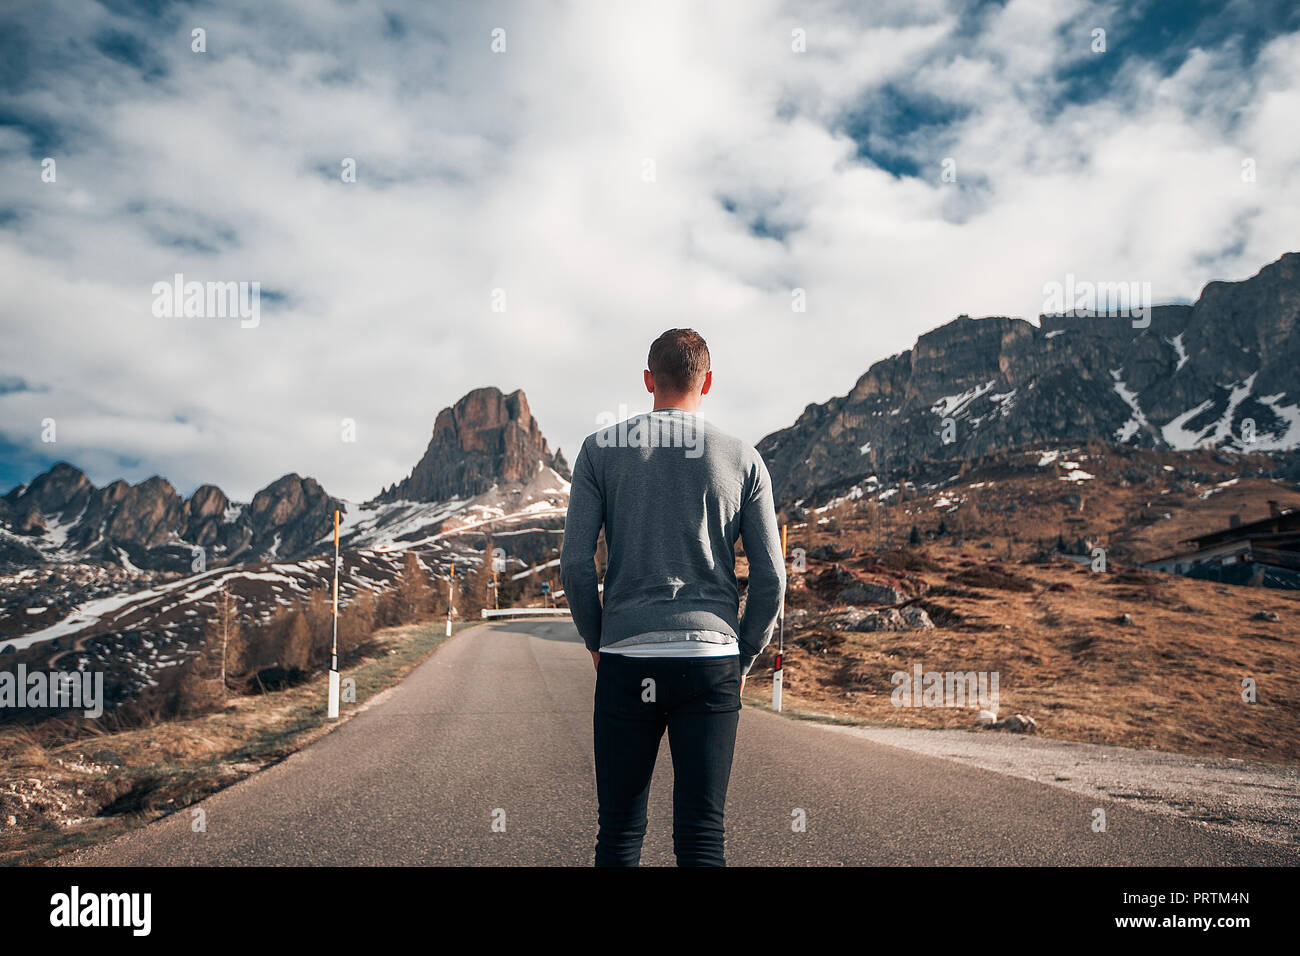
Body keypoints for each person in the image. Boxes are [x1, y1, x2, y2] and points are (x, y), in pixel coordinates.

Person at [560, 328, 786, 867]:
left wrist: (597, 640)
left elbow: (574, 565)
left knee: (617, 833)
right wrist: (744, 652)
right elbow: (773, 577)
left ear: (647, 382)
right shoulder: (743, 458)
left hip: (626, 657)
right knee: (703, 834)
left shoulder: (599, 452)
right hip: (711, 663)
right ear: (707, 381)